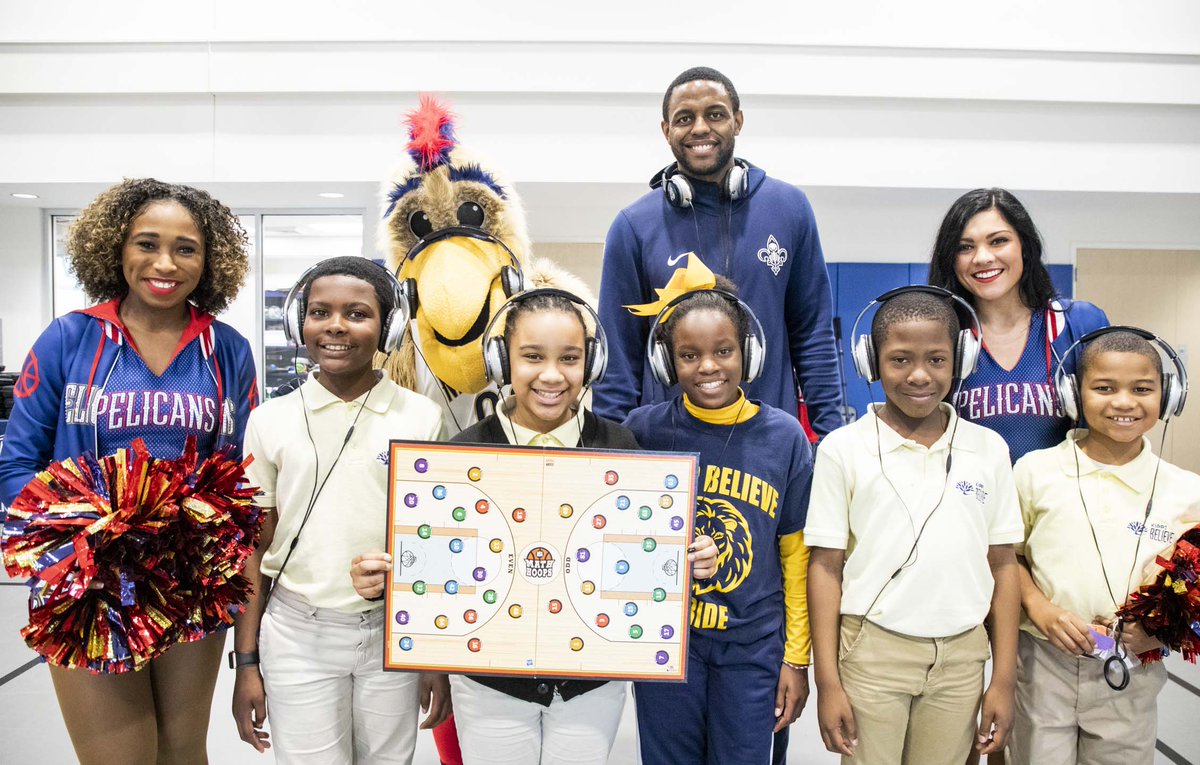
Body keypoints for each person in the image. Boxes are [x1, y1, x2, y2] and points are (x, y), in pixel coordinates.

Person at [351, 287, 718, 765]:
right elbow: (441, 571)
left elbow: (635, 565)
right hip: (489, 682)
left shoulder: (620, 448)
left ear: (591, 362)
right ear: (503, 362)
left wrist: (686, 559)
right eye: (532, 357)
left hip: (590, 681)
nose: (551, 375)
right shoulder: (463, 454)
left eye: (569, 358)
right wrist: (390, 578)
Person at [0, 178, 258, 765]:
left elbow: (240, 468)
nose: (165, 262)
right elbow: (17, 462)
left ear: (209, 259)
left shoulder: (227, 349)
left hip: (191, 577)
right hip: (87, 581)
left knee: (183, 753)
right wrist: (69, 545)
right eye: (147, 243)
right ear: (116, 248)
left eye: (186, 248)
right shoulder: (70, 337)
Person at [232, 256, 451, 763]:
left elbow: (438, 543)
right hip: (296, 632)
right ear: (298, 324)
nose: (335, 325)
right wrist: (246, 662)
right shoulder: (270, 421)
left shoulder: (422, 417)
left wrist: (433, 657)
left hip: (391, 634)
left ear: (389, 327)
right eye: (319, 312)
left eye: (357, 313)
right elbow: (252, 547)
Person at [806, 289, 1022, 764]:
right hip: (872, 650)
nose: (919, 375)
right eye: (900, 359)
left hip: (963, 655)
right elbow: (825, 567)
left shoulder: (988, 450)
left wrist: (1002, 680)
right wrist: (827, 683)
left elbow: (1003, 566)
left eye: (937, 359)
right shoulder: (842, 449)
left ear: (960, 360)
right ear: (871, 362)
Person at [621, 273, 814, 764]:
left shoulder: (784, 437)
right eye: (689, 355)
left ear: (747, 353)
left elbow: (795, 557)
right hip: (667, 646)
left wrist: (796, 657)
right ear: (667, 361)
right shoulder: (641, 432)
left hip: (752, 649)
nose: (708, 367)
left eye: (724, 351)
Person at [594, 65, 842, 441]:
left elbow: (813, 336)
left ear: (737, 121)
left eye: (715, 114)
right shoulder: (633, 225)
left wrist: (831, 439)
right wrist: (611, 449)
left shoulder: (789, 208)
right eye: (684, 118)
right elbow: (618, 359)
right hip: (667, 449)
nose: (699, 128)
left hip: (768, 448)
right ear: (666, 130)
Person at [1009, 328, 1200, 765]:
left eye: (1142, 389)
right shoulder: (1035, 472)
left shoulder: (1186, 491)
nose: (1124, 402)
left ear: (1167, 397)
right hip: (1044, 663)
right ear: (1073, 394)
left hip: (1133, 670)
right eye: (1104, 388)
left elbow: (1192, 592)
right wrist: (1040, 607)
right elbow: (1006, 558)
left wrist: (1161, 630)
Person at [927, 187, 1109, 463]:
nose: (982, 258)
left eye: (998, 241)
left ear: (1025, 246)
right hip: (971, 503)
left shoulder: (1079, 323)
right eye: (965, 247)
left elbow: (1115, 425)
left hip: (1058, 503)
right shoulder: (940, 334)